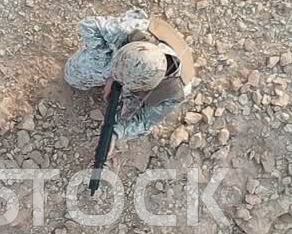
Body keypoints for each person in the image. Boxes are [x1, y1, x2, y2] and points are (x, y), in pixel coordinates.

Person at [65, 9, 198, 146]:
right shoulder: (133, 31)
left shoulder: (174, 91)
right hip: (115, 56)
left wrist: (116, 134)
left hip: (138, 89)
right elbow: (89, 25)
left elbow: (145, 121)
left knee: (127, 117)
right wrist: (105, 64)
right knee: (73, 76)